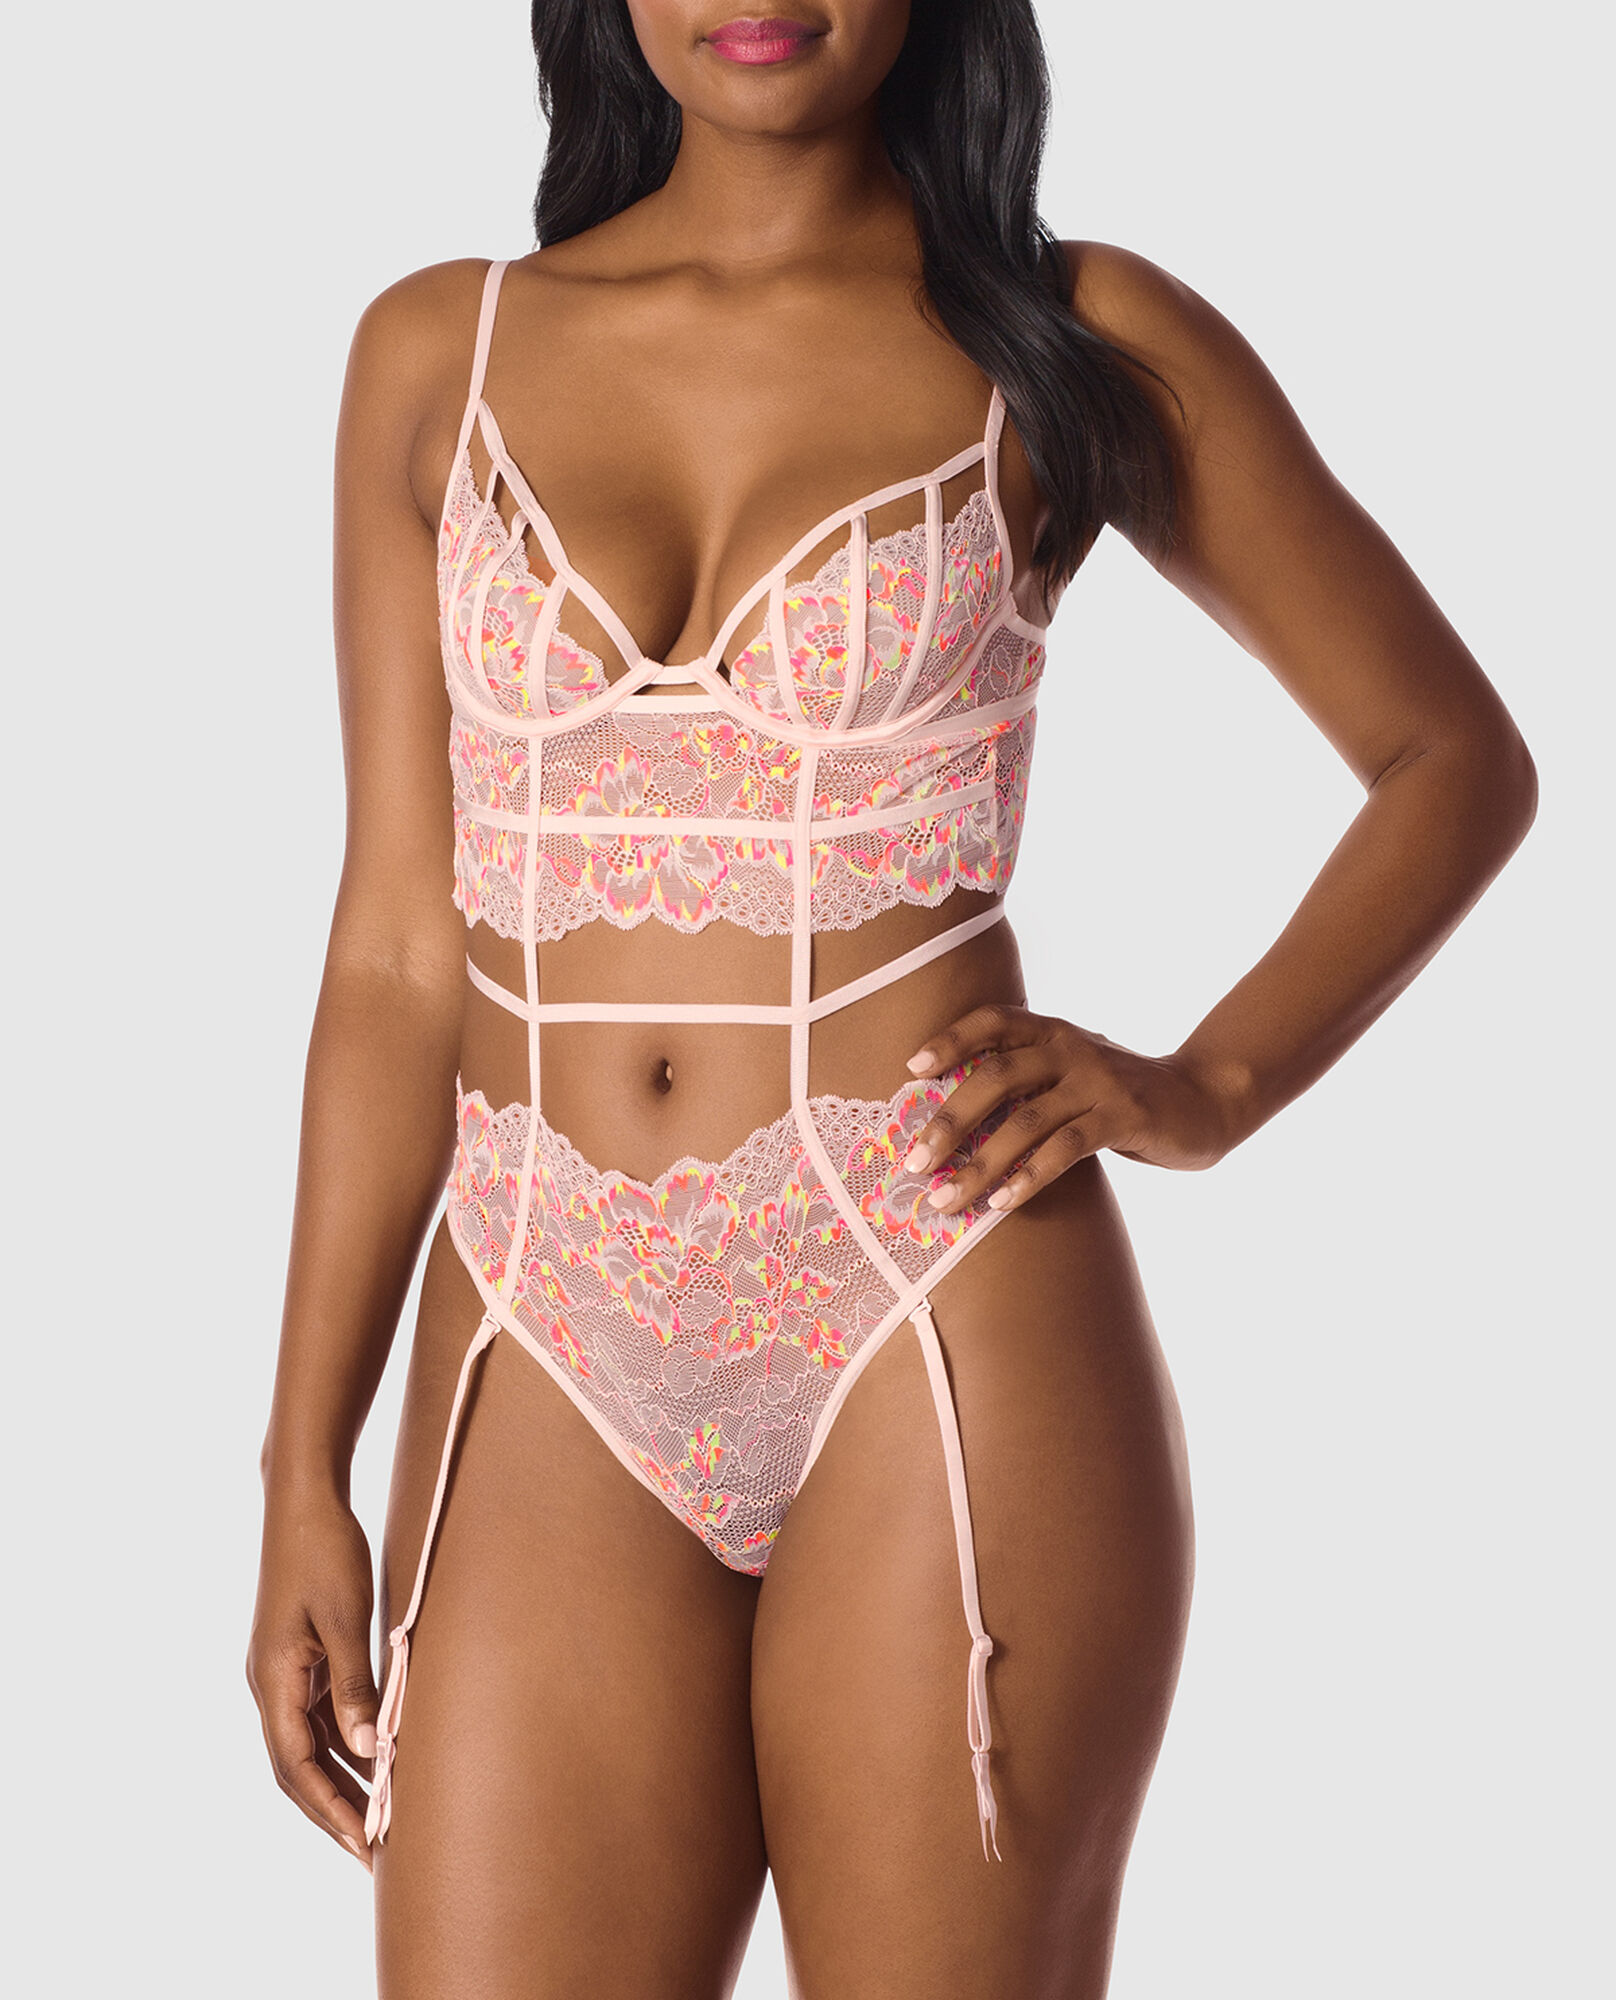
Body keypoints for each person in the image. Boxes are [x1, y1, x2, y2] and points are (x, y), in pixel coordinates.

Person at [246, 3, 1536, 1992]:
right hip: (536, 1303)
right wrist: (298, 1466)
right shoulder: (441, 350)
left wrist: (1209, 1084)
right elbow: (401, 951)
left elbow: (1447, 758)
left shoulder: (1067, 334)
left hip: (932, 1288)